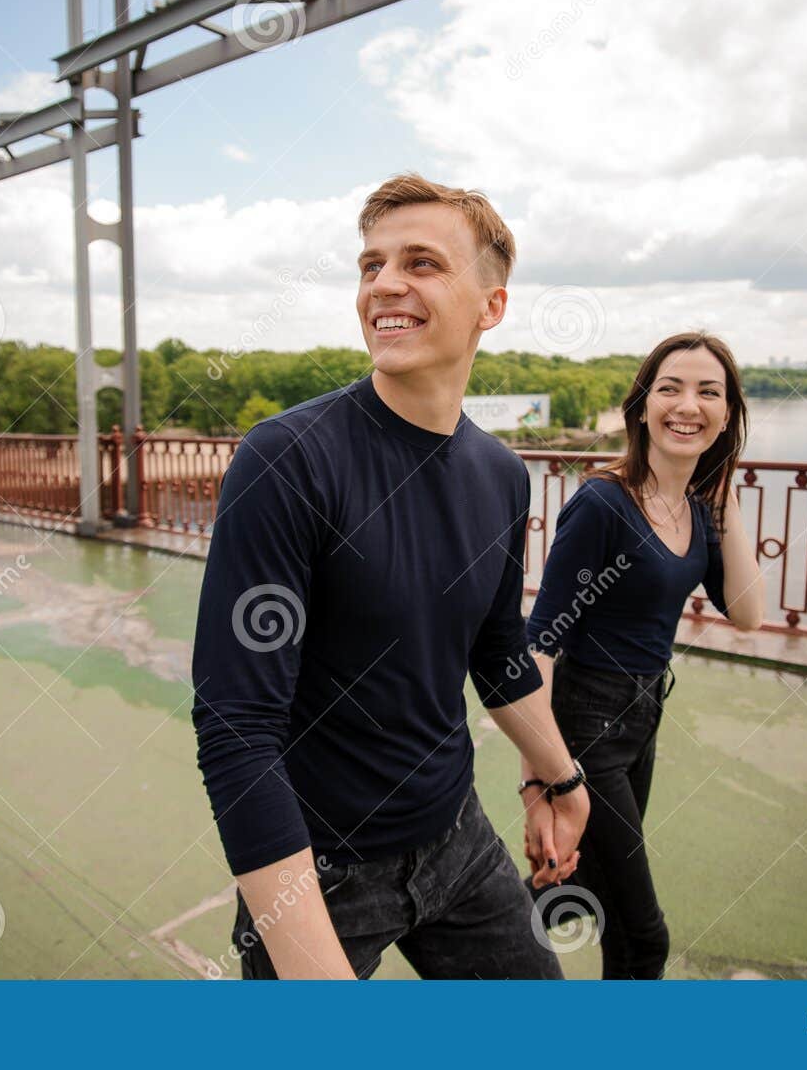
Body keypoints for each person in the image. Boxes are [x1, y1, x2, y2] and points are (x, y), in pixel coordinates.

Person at [191, 173, 590, 979]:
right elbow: (236, 725)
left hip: (457, 837)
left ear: (491, 305)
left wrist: (561, 777)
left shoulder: (500, 474)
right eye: (371, 265)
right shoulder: (288, 459)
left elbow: (496, 652)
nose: (384, 285)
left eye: (422, 263)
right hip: (319, 870)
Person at [519, 331, 765, 979]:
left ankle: (470, 919)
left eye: (709, 393)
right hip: (586, 727)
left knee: (585, 888)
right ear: (643, 406)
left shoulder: (697, 511)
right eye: (670, 389)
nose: (688, 405)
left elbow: (748, 612)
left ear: (727, 415)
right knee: (643, 937)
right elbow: (539, 645)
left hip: (643, 719)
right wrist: (537, 783)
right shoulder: (604, 503)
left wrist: (725, 490)